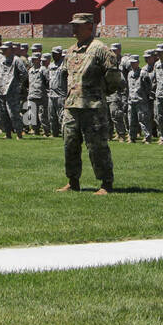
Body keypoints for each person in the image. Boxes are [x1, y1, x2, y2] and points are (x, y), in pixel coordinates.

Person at [56, 13, 121, 194]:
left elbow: (114, 78)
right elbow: (64, 76)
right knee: (70, 145)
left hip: (93, 107)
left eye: (77, 25)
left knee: (97, 147)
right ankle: (73, 181)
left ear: (89, 26)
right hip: (72, 106)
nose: (73, 28)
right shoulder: (71, 51)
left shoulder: (100, 49)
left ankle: (106, 183)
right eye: (73, 25)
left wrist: (101, 93)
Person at [126, 54, 154, 142]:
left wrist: (144, 96)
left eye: (134, 63)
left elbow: (149, 86)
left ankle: (147, 137)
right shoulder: (130, 73)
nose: (132, 64)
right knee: (131, 120)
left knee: (143, 120)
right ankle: (132, 137)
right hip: (131, 100)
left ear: (138, 63)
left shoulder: (143, 73)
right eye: (131, 63)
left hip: (141, 101)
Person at [47, 46, 67, 137]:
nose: (53, 55)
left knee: (62, 115)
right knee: (51, 115)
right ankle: (54, 133)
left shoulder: (64, 65)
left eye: (55, 54)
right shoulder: (50, 65)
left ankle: (64, 132)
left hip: (61, 94)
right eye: (52, 53)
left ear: (59, 54)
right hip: (51, 94)